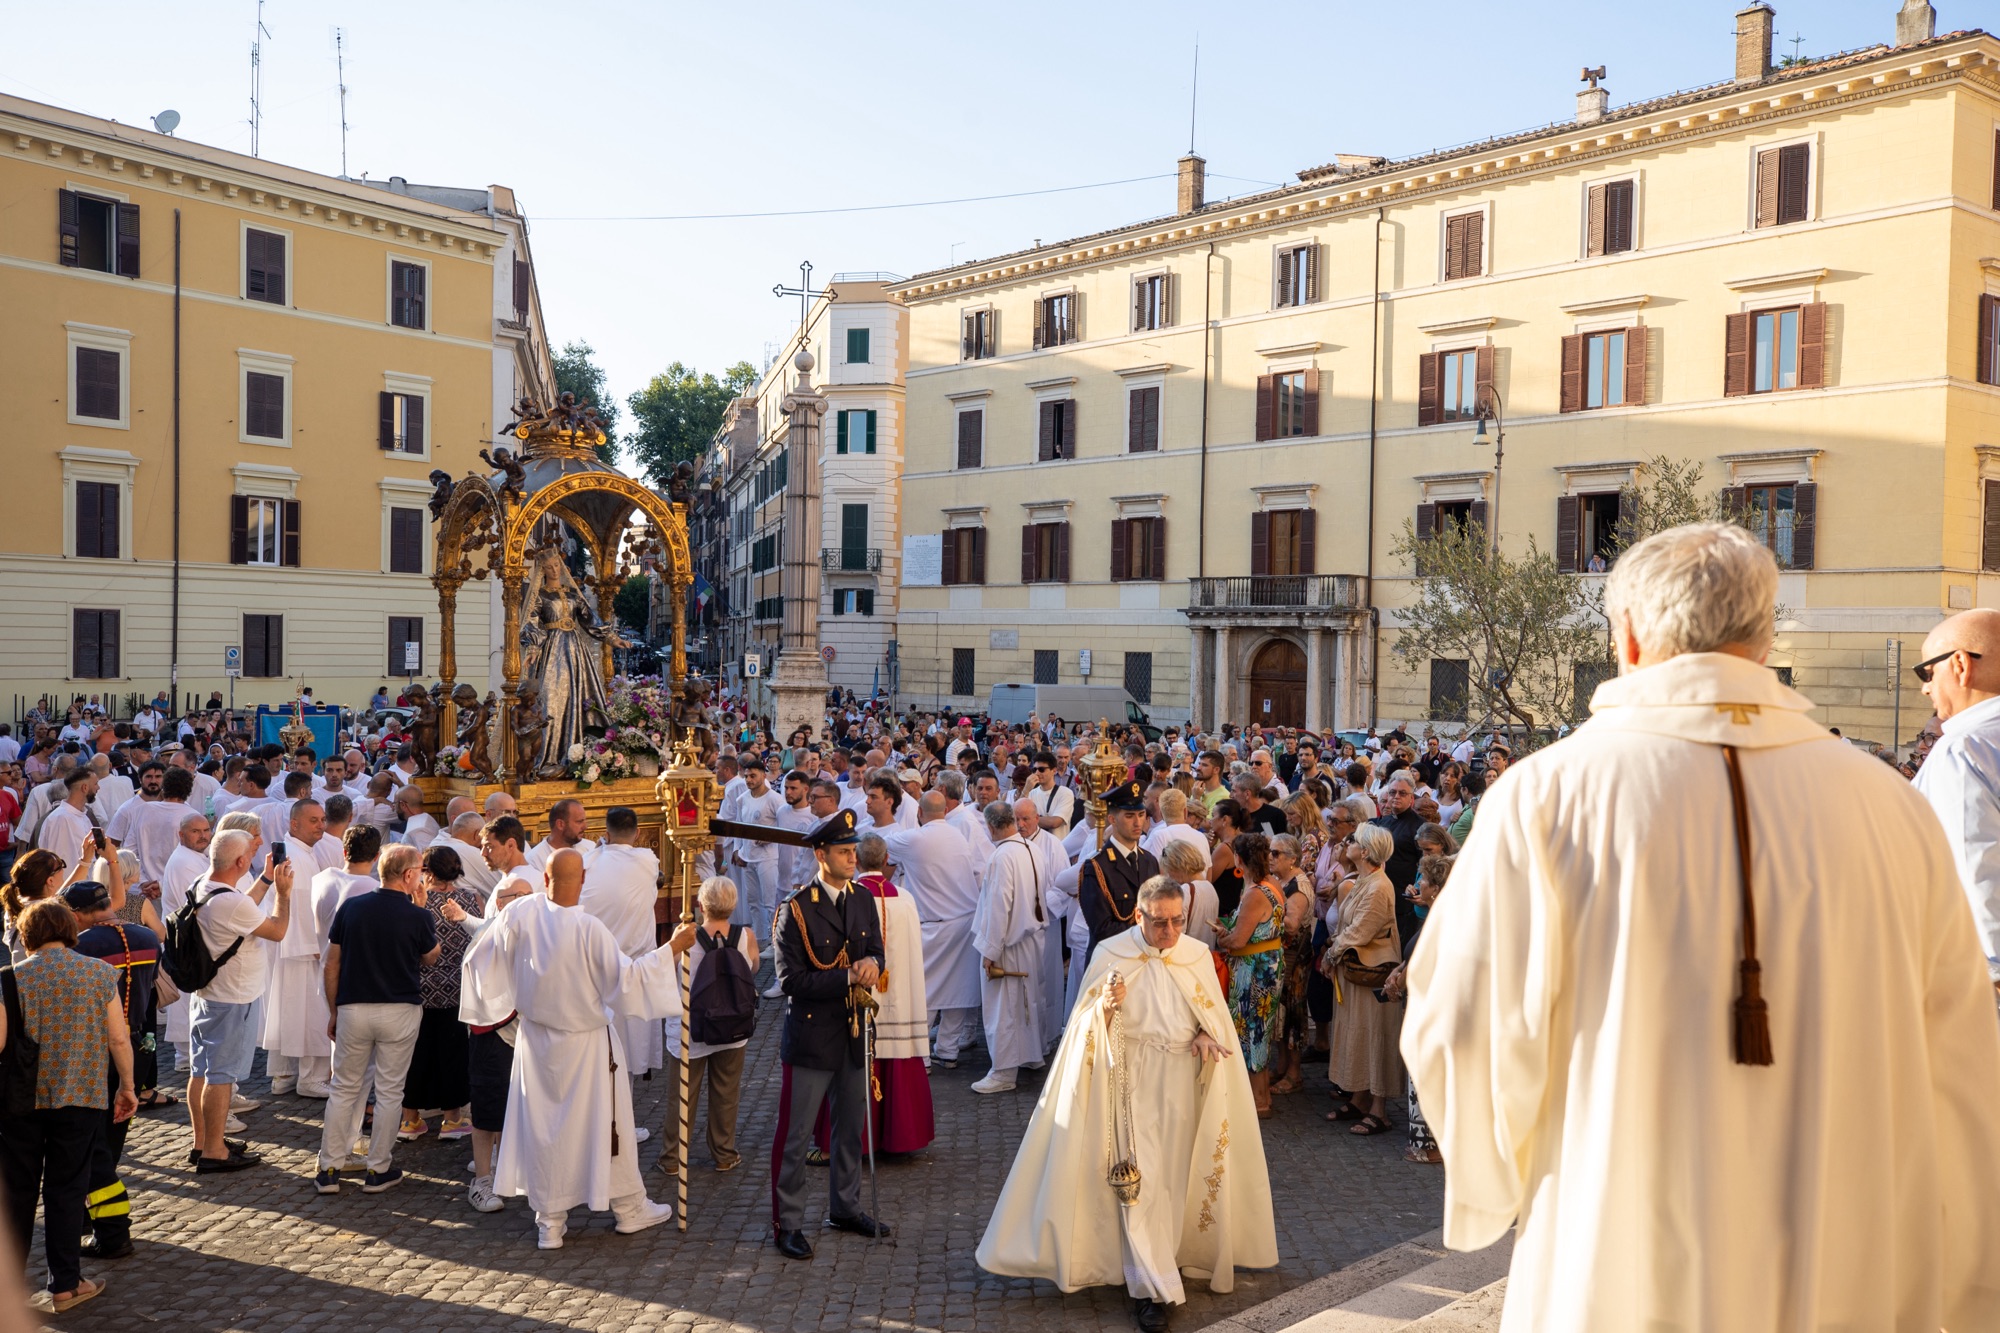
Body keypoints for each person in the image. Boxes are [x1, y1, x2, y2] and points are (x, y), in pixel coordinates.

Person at [1403, 523, 2000, 1331]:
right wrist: (1965, 1262)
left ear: (1630, 637)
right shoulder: (1890, 801)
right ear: (1763, 640)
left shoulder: (1545, 795)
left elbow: (1460, 1024)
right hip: (1843, 1237)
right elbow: (1961, 1055)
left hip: (1618, 1227)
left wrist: (1495, 1175)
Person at [977, 875, 1277, 1333]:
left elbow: (1212, 1015)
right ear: (1139, 916)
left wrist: (1203, 1032)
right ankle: (1149, 1289)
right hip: (1127, 1079)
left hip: (1180, 1079)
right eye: (1160, 923)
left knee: (1173, 1177)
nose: (1170, 932)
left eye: (1178, 921)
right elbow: (1081, 1025)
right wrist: (1106, 1007)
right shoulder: (1111, 953)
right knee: (1139, 1180)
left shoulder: (1195, 955)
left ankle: (1166, 1258)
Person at [458, 848, 689, 1249]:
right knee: (607, 1123)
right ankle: (628, 1208)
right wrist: (674, 946)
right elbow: (629, 983)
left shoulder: (520, 914)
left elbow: (481, 958)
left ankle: (550, 1221)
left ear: (544, 880)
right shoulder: (589, 930)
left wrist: (509, 997)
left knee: (547, 1130)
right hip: (586, 1048)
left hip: (536, 1043)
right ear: (582, 879)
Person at [0, 899, 137, 1313]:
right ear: (70, 929)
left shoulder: (10, 979)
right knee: (66, 1190)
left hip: (20, 1102)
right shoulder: (98, 973)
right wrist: (128, 1086)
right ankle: (65, 1285)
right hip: (81, 1096)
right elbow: (118, 1038)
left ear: (28, 935)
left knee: (17, 1194)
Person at [768, 809, 891, 1261]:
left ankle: (845, 1207)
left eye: (853, 851)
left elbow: (875, 947)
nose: (852, 859)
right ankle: (788, 1222)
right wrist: (848, 978)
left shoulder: (861, 899)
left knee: (850, 1128)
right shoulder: (795, 909)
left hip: (855, 1031)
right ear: (821, 855)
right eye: (843, 852)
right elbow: (789, 981)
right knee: (797, 1135)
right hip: (812, 1035)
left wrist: (873, 964)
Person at [312, 844, 440, 1195]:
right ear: (409, 875)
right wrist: (422, 910)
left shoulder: (352, 908)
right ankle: (377, 1168)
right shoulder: (417, 915)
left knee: (344, 1088)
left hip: (354, 1007)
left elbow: (331, 963)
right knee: (389, 1091)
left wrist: (334, 1010)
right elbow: (430, 957)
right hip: (399, 1009)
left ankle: (329, 1167)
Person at [808, 834, 933, 1155]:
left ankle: (853, 1142)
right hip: (901, 997)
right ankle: (901, 1138)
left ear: (858, 860)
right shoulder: (905, 898)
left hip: (858, 994)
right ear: (887, 858)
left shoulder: (847, 897)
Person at [186, 828, 291, 1173]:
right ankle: (215, 1151)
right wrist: (283, 893)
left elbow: (239, 907)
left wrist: (263, 879)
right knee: (220, 1075)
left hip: (209, 993)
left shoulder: (206, 884)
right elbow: (276, 929)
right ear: (241, 860)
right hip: (232, 996)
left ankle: (203, 1143)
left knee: (202, 1070)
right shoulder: (232, 902)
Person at [1910, 607, 2000, 995]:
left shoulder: (1964, 748)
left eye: (1927, 673)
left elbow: (1975, 866)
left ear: (1960, 665)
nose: (1925, 688)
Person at [66, 879, 158, 1256]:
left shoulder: (81, 946)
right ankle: (96, 1210)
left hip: (94, 1049)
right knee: (114, 1136)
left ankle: (102, 1219)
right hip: (138, 1044)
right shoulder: (147, 937)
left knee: (92, 1143)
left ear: (76, 914)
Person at [874, 792, 981, 1069]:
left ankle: (921, 1054)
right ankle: (947, 1050)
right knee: (958, 988)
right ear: (945, 810)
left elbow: (874, 846)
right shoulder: (957, 835)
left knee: (925, 989)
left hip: (935, 925)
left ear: (920, 812)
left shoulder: (913, 838)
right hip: (966, 920)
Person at [661, 876, 758, 1175]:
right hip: (732, 1027)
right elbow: (753, 968)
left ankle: (673, 1158)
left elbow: (665, 971)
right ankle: (724, 1153)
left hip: (691, 1028)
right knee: (726, 1093)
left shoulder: (685, 937)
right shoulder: (746, 936)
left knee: (683, 1095)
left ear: (701, 905)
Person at [397, 844, 483, 1143]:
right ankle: (452, 1118)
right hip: (456, 991)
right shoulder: (470, 900)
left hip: (418, 988)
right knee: (453, 1055)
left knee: (415, 1054)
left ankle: (409, 1119)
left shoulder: (413, 902)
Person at [1323, 824, 1403, 1136]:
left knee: (1375, 1035)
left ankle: (1379, 1110)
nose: (1348, 843)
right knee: (1357, 1032)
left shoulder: (1379, 886)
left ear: (1366, 851)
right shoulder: (1363, 880)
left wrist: (1330, 955)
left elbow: (1360, 931)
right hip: (1355, 970)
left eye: (1354, 840)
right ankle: (1359, 1098)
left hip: (1374, 973)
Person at [579, 807, 666, 1082]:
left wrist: (601, 845)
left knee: (606, 1052)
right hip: (635, 967)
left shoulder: (589, 861)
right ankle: (621, 1123)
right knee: (625, 1054)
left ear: (605, 833)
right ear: (638, 833)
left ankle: (616, 1123)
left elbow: (592, 855)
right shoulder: (647, 859)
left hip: (599, 966)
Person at [969, 802, 1046, 1096]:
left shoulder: (1002, 856)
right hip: (1030, 937)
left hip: (1007, 942)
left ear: (990, 826)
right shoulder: (1030, 847)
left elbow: (999, 905)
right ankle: (1031, 1055)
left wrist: (990, 949)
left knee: (1005, 1008)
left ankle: (1003, 1071)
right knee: (1028, 1002)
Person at [1214, 832, 1283, 1118]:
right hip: (1267, 964)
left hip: (1255, 969)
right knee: (1259, 1031)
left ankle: (1259, 1101)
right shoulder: (1272, 884)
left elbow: (1239, 940)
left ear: (1239, 859)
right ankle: (1261, 1096)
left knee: (1253, 1032)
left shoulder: (1255, 893)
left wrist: (1222, 936)